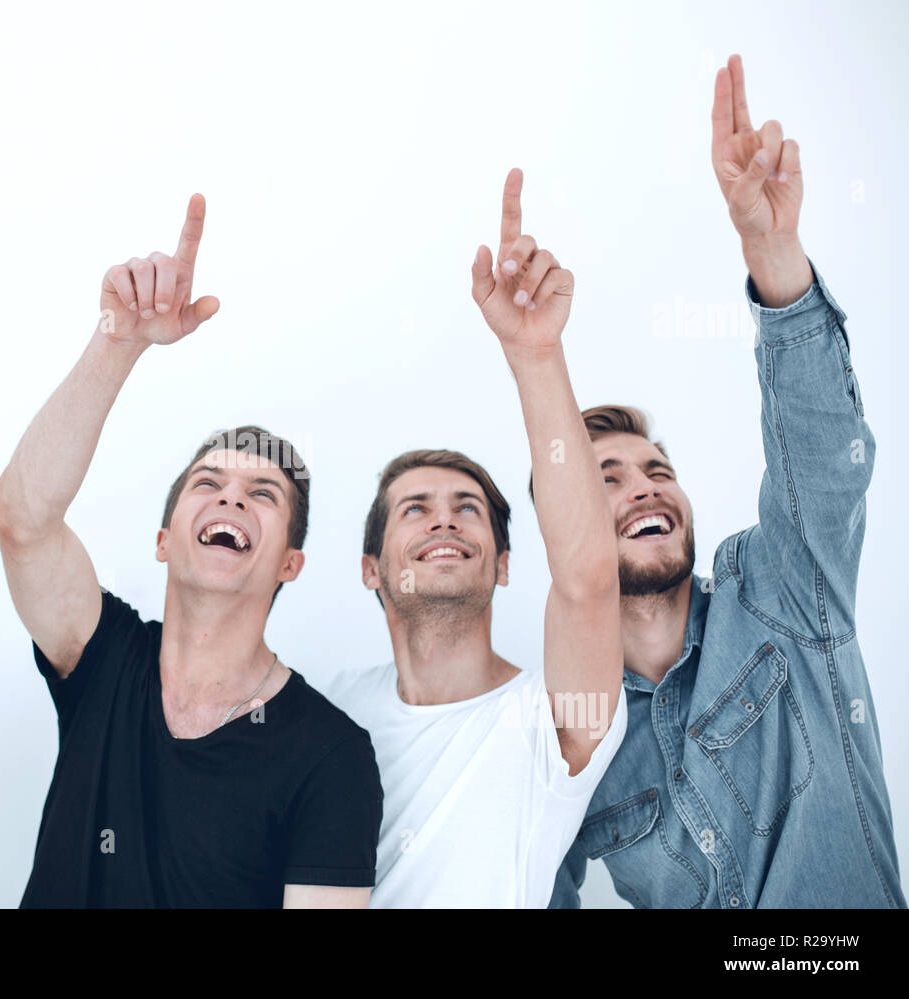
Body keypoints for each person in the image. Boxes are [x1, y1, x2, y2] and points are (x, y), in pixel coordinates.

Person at [549, 54, 905, 909]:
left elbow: (823, 456)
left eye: (657, 470)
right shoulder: (566, 735)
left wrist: (773, 255)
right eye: (608, 478)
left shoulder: (778, 591)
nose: (646, 487)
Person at [0, 194, 383, 908]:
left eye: (263, 493)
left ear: (290, 563)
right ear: (166, 538)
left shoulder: (331, 754)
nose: (232, 498)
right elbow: (25, 519)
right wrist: (118, 340)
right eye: (210, 482)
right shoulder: (102, 656)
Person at [326, 171, 626, 907]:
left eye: (467, 508)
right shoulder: (328, 711)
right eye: (415, 509)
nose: (444, 519)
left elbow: (587, 579)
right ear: (371, 568)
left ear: (504, 565)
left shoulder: (551, 718)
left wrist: (535, 355)